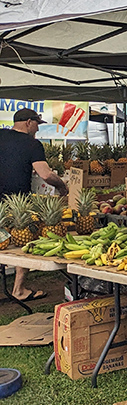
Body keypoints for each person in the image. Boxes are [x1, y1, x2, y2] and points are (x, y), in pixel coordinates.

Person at [0, 108, 68, 301]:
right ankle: (19, 290)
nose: (38, 129)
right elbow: (45, 174)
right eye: (37, 124)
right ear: (29, 122)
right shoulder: (32, 144)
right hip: (17, 203)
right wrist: (62, 186)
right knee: (25, 242)